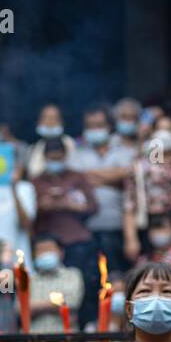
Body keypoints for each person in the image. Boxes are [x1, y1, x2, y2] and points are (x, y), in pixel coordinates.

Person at [70, 105, 136, 276]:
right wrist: (114, 178)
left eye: (99, 125)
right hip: (87, 231)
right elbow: (77, 179)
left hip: (119, 229)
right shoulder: (77, 154)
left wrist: (90, 176)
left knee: (119, 278)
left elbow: (128, 174)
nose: (95, 130)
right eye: (90, 126)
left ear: (109, 127)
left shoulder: (126, 151)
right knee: (93, 283)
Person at [122, 122, 171, 262]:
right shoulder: (140, 167)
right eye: (159, 129)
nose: (163, 135)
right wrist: (131, 239)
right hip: (152, 223)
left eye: (168, 129)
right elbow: (129, 207)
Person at [33, 139, 97, 306]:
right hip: (47, 246)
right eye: (52, 158)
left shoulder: (77, 177)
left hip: (77, 243)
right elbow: (28, 216)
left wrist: (71, 205)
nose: (55, 162)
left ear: (65, 156)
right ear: (45, 157)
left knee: (85, 286)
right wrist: (41, 206)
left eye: (58, 158)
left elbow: (93, 207)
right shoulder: (36, 182)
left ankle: (86, 326)